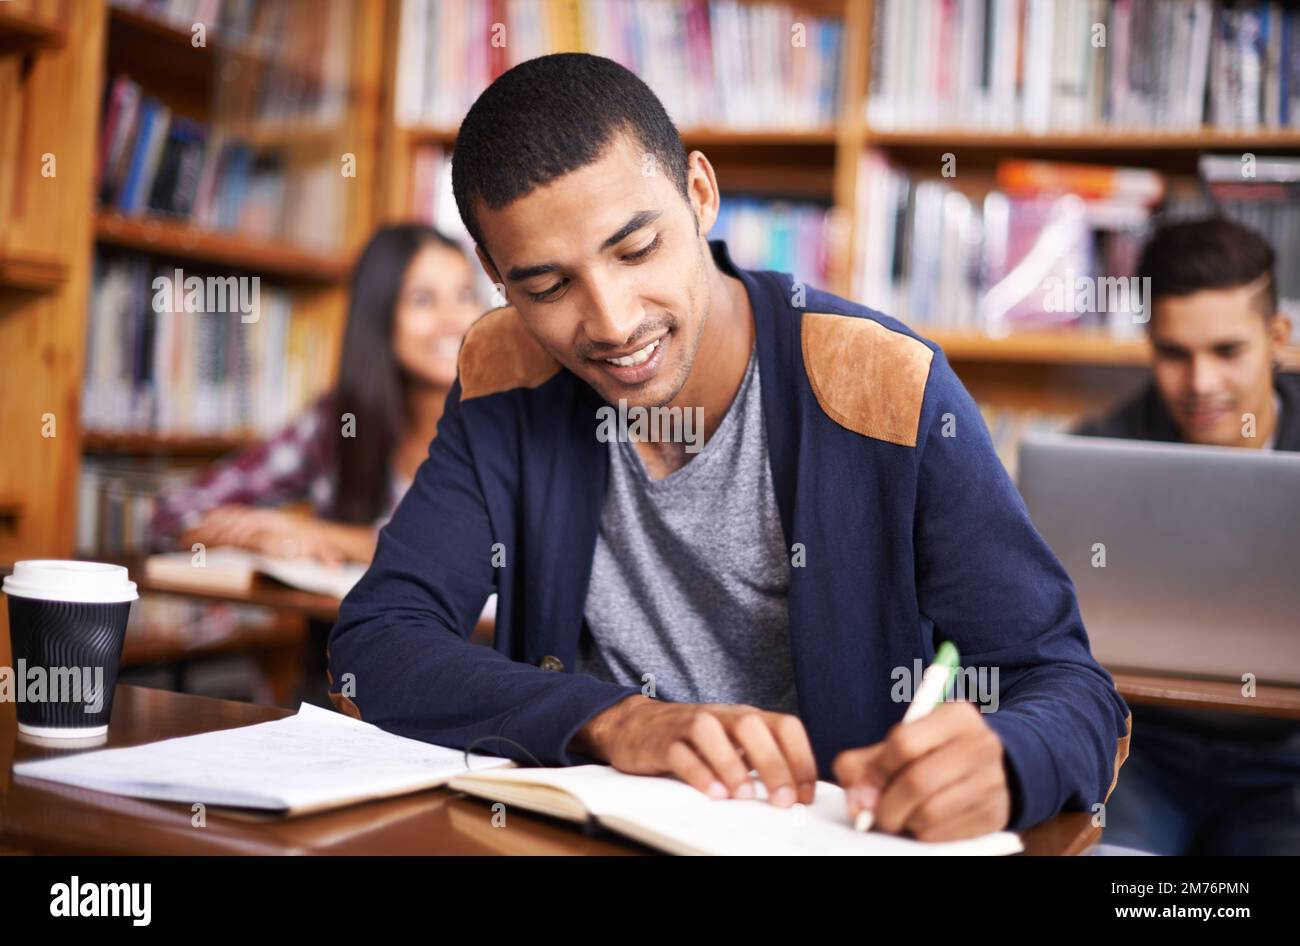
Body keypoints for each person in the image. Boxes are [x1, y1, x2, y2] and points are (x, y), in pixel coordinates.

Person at [328, 53, 1131, 841]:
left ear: (701, 195)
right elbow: (380, 638)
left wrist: (1008, 759)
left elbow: (1064, 682)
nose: (610, 322)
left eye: (637, 249)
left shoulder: (883, 380)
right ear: (497, 277)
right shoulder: (502, 373)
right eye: (547, 286)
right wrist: (617, 720)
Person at [1075, 217, 1300, 855]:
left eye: (1226, 352)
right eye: (1175, 354)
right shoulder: (1097, 452)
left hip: (1288, 758)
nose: (1200, 384)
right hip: (1140, 750)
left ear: (1277, 336)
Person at [149, 224, 482, 564]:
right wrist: (254, 535)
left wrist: (322, 535)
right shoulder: (336, 421)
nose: (453, 320)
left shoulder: (504, 426)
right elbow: (174, 513)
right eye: (422, 300)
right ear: (378, 317)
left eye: (465, 295)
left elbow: (469, 554)